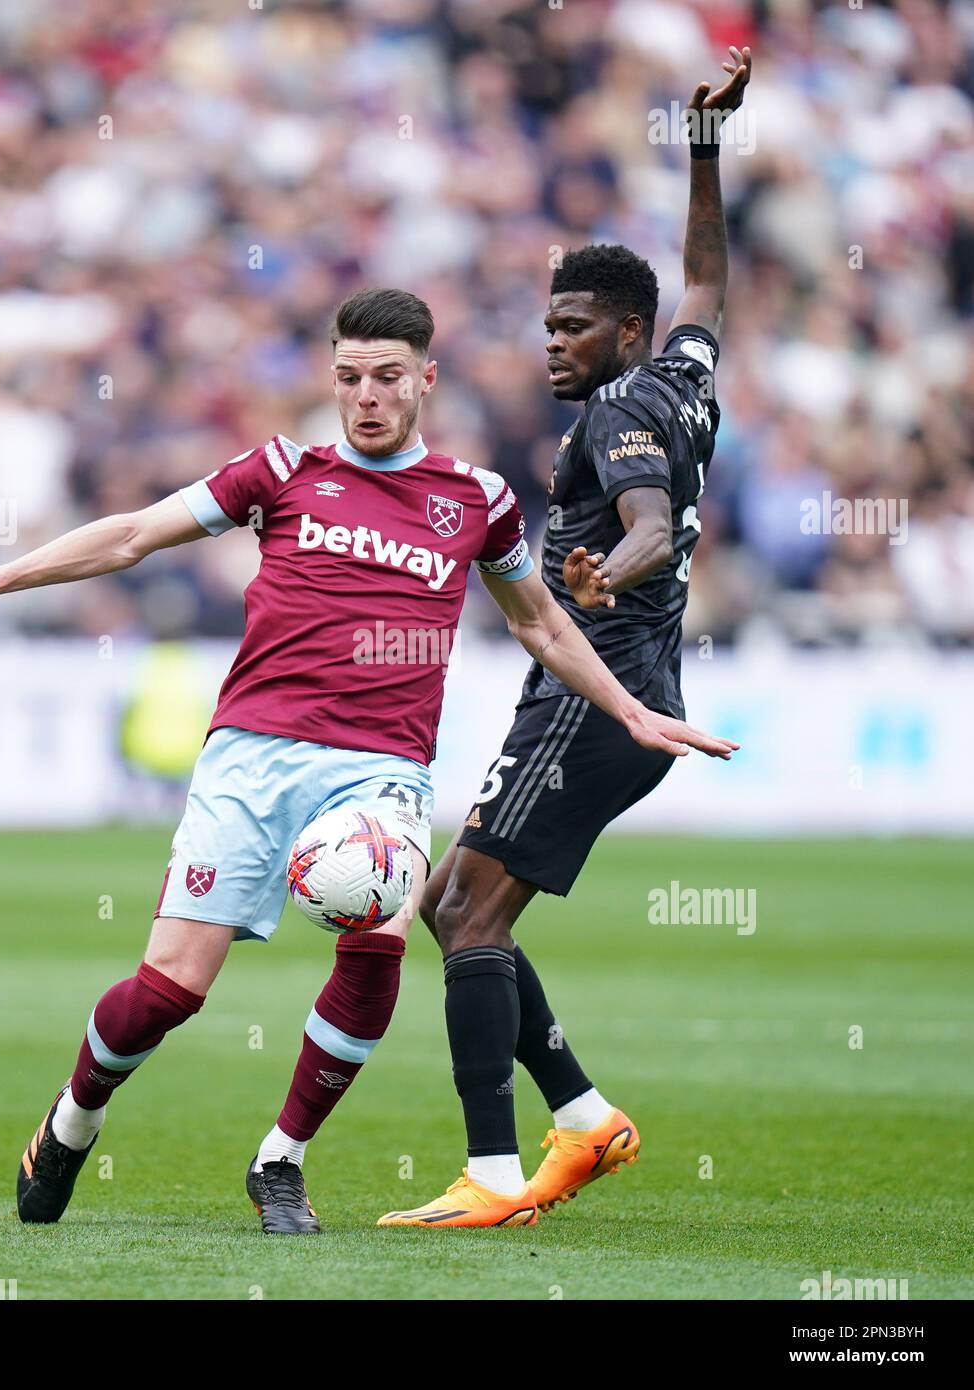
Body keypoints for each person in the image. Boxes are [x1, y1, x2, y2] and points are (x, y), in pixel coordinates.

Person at [0, 287, 736, 1236]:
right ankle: (74, 1116)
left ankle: (281, 1159)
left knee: (377, 947)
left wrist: (631, 710)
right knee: (169, 990)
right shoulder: (281, 470)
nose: (367, 396)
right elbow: (135, 533)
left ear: (424, 380)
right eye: (349, 378)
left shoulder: (478, 500)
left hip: (380, 769)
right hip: (252, 758)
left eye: (386, 378)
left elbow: (542, 623)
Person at [380, 50, 752, 1230]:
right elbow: (708, 279)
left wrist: (604, 570)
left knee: (466, 919)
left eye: (575, 326)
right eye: (548, 323)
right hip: (629, 694)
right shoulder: (683, 369)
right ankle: (586, 1117)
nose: (553, 343)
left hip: (595, 699)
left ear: (624, 334)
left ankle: (494, 1173)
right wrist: (702, 148)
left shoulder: (623, 407)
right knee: (452, 907)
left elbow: (643, 525)